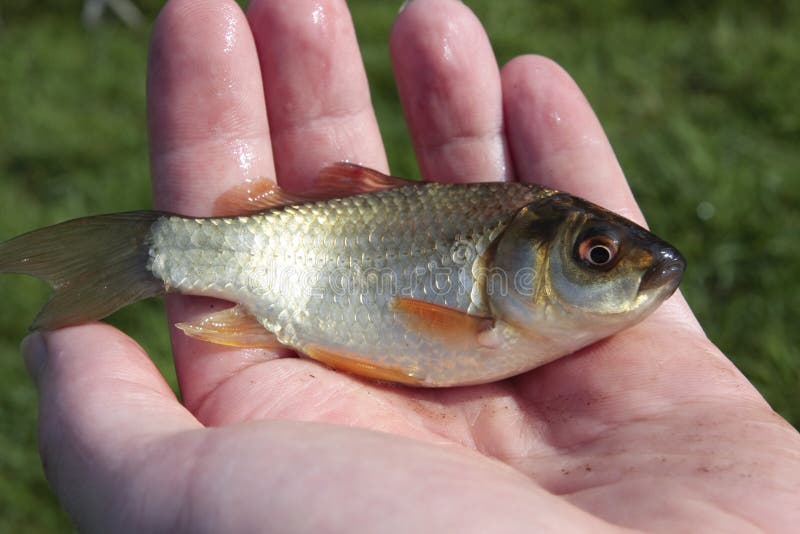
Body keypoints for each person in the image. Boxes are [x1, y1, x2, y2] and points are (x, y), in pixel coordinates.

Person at [21, 0, 800, 531]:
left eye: (597, 257)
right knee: (165, 250)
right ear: (514, 253)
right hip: (291, 274)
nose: (626, 272)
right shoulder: (504, 322)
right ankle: (139, 252)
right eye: (595, 257)